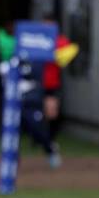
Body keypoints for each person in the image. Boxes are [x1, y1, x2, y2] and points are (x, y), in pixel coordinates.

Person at [40, 18, 71, 149]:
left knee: (52, 111)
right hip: (36, 83)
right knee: (38, 112)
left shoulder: (60, 41)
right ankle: (39, 138)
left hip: (52, 84)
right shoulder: (37, 41)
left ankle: (50, 139)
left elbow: (69, 51)